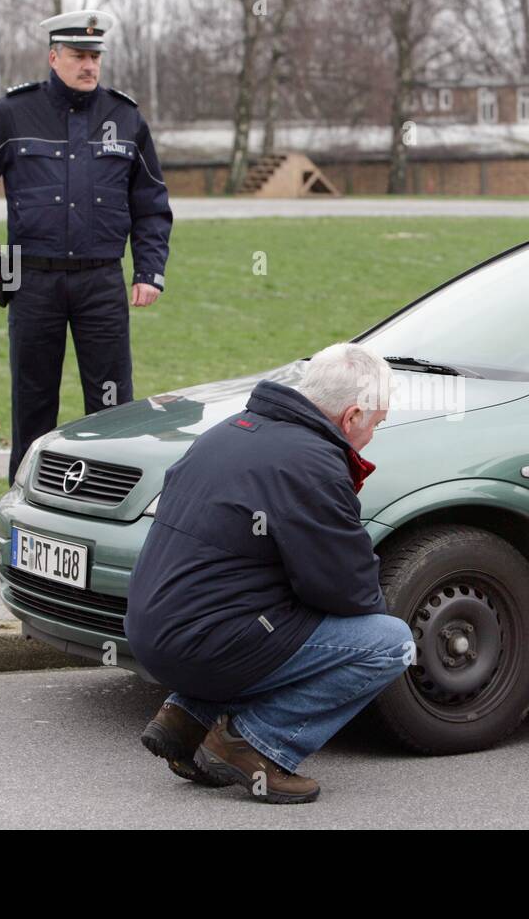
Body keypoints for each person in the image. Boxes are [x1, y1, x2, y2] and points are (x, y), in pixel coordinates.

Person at [124, 343, 413, 804]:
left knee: (269, 612)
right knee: (388, 643)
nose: (374, 435)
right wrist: (365, 636)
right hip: (202, 644)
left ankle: (187, 717)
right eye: (377, 424)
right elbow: (348, 589)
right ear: (353, 416)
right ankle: (256, 744)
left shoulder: (230, 431)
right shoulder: (312, 463)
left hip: (150, 630)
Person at [0, 9, 172, 484]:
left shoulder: (124, 118)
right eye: (78, 56)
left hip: (102, 282)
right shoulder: (11, 114)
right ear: (53, 57)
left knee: (111, 404)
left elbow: (151, 203)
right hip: (33, 281)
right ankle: (26, 502)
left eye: (95, 57)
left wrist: (149, 270)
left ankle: (105, 503)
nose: (89, 66)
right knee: (33, 400)